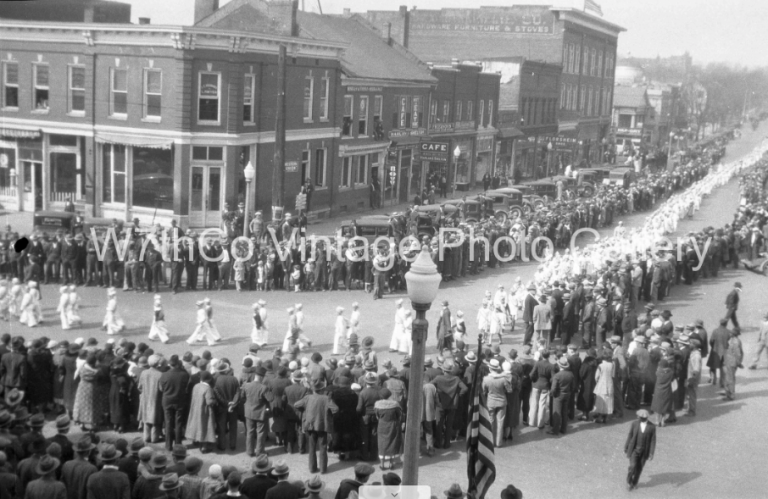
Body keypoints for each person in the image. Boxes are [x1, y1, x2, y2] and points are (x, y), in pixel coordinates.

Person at [237, 366, 273, 457]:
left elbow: (242, 397)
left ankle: (250, 451)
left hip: (248, 412)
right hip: (260, 413)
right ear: (262, 377)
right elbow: (271, 398)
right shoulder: (263, 388)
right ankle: (260, 452)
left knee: (250, 432)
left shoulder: (246, 385)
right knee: (260, 433)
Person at [158, 355, 190, 451]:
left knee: (168, 422)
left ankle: (168, 445)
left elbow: (161, 388)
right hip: (179, 400)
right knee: (178, 422)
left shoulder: (164, 374)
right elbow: (186, 388)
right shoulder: (184, 374)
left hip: (167, 400)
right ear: (178, 363)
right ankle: (178, 444)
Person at [624, 409, 656, 491]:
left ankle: (634, 483)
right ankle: (629, 481)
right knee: (632, 466)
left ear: (646, 418)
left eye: (641, 417)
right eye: (639, 417)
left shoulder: (652, 427)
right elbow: (630, 435)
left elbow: (653, 441)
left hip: (644, 451)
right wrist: (626, 446)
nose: (639, 418)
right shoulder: (634, 424)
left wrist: (651, 453)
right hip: (634, 450)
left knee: (639, 468)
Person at [374, 388, 403, 470]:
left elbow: (377, 416)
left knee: (382, 444)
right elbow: (399, 415)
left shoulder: (377, 404)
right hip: (393, 425)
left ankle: (382, 464)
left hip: (382, 425)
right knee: (393, 443)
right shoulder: (395, 404)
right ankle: (391, 464)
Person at [549, 355, 575, 436]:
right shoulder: (571, 374)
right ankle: (563, 429)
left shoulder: (557, 375)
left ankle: (555, 430)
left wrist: (551, 394)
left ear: (559, 365)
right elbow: (573, 386)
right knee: (564, 412)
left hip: (558, 395)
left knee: (557, 412)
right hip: (567, 394)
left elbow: (553, 388)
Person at [707, 318, 731, 387]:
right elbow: (730, 342)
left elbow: (711, 341)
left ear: (720, 323)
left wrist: (713, 347)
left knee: (713, 365)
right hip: (725, 351)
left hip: (715, 350)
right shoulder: (728, 332)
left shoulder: (715, 331)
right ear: (726, 324)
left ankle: (713, 380)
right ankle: (722, 382)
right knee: (723, 367)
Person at [593, 352, 614, 424]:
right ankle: (605, 417)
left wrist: (597, 382)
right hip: (610, 384)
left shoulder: (600, 365)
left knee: (601, 401)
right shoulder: (612, 365)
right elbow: (613, 375)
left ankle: (600, 417)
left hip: (602, 384)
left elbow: (596, 376)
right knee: (608, 400)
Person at [722, 328, 743, 401]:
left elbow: (738, 354)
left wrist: (739, 363)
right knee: (728, 378)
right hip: (729, 361)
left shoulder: (735, 342)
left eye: (731, 333)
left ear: (734, 334)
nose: (729, 333)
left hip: (732, 362)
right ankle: (728, 392)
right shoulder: (732, 340)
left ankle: (731, 395)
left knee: (730, 379)